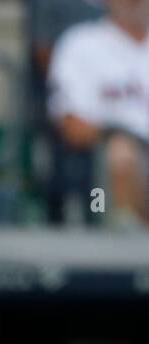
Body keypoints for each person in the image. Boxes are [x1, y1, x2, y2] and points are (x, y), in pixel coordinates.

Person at [48, 0, 149, 226]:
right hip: (114, 153)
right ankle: (127, 244)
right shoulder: (82, 43)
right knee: (122, 153)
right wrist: (120, 134)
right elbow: (73, 127)